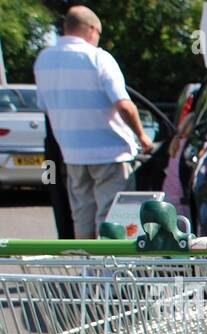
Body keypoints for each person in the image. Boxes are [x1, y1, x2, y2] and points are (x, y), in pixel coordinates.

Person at [34, 5, 153, 239]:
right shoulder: (97, 58)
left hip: (72, 155)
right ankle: (112, 272)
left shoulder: (43, 60)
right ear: (91, 29)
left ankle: (87, 270)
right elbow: (123, 105)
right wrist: (142, 136)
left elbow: (47, 107)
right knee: (114, 218)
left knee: (82, 215)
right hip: (110, 152)